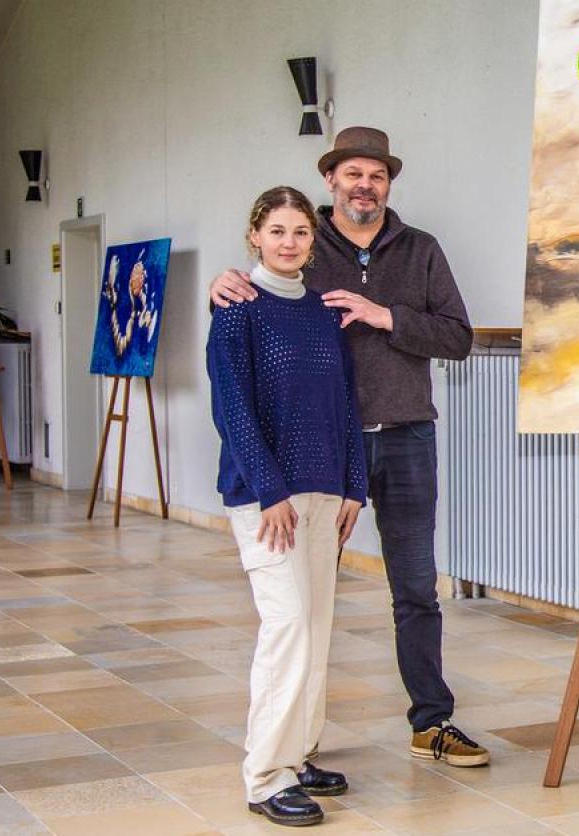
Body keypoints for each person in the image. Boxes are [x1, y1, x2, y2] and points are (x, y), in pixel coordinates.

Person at [210, 127, 487, 768]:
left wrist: (385, 314)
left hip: (408, 436)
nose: (365, 185)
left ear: (389, 183)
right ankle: (299, 742)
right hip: (323, 451)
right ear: (330, 178)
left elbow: (458, 337)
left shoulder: (420, 250)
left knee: (416, 586)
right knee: (305, 601)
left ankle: (432, 723)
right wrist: (224, 282)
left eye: (377, 176)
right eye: (353, 174)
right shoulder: (305, 245)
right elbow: (260, 298)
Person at [208, 186, 367, 827]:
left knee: (318, 629)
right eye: (276, 231)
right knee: (289, 626)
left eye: (300, 232)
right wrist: (270, 492)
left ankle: (299, 755)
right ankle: (265, 776)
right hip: (263, 495)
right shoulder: (236, 309)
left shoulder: (325, 312)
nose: (289, 242)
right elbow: (232, 409)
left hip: (325, 490)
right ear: (254, 236)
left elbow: (346, 403)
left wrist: (354, 485)